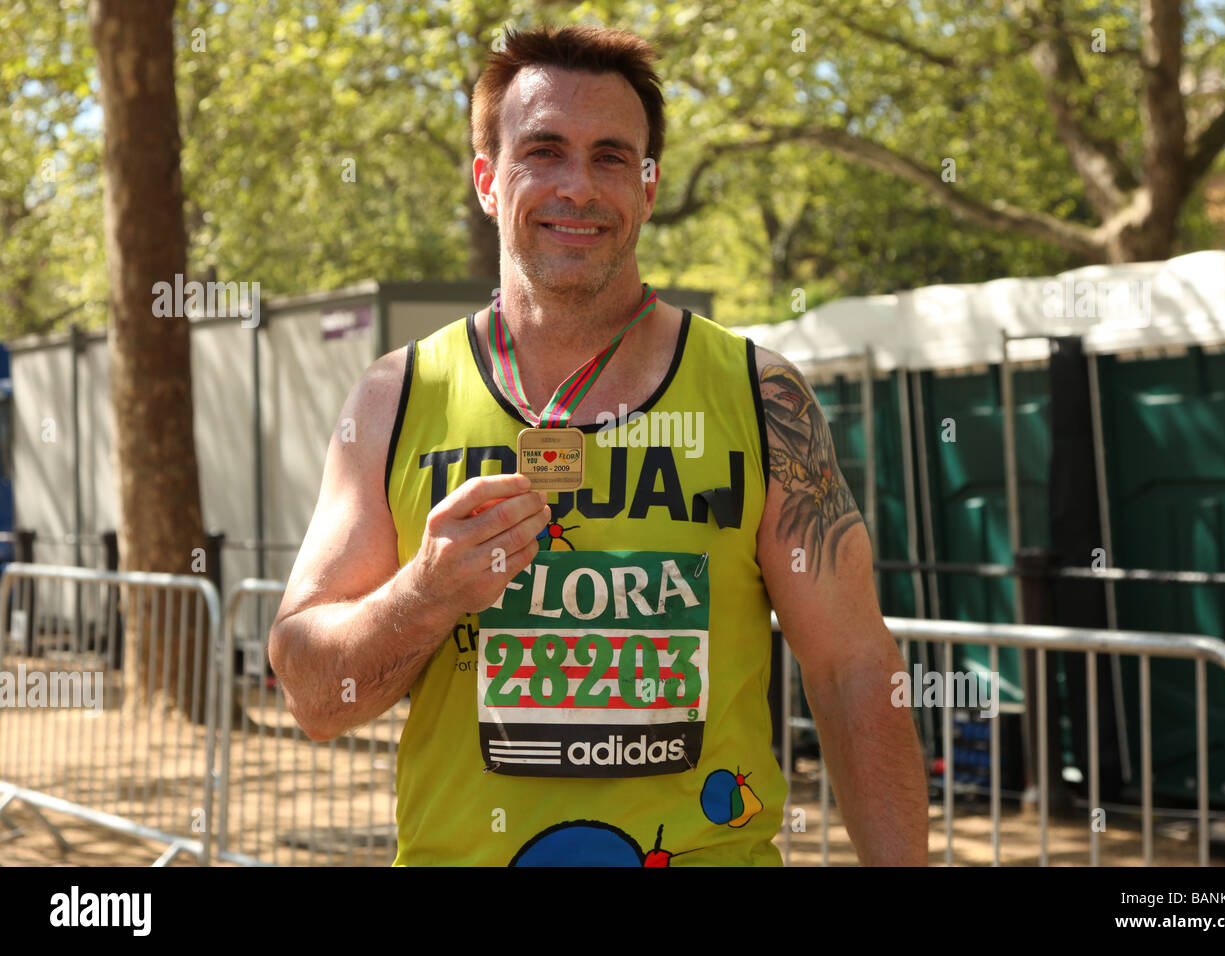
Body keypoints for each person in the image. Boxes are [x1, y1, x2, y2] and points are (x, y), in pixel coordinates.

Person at [268, 24, 927, 866]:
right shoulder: (396, 397)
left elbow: (853, 672)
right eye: (543, 151)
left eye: (612, 157)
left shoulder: (761, 397)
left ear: (648, 189)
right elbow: (314, 696)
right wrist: (427, 592)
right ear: (487, 180)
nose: (578, 187)